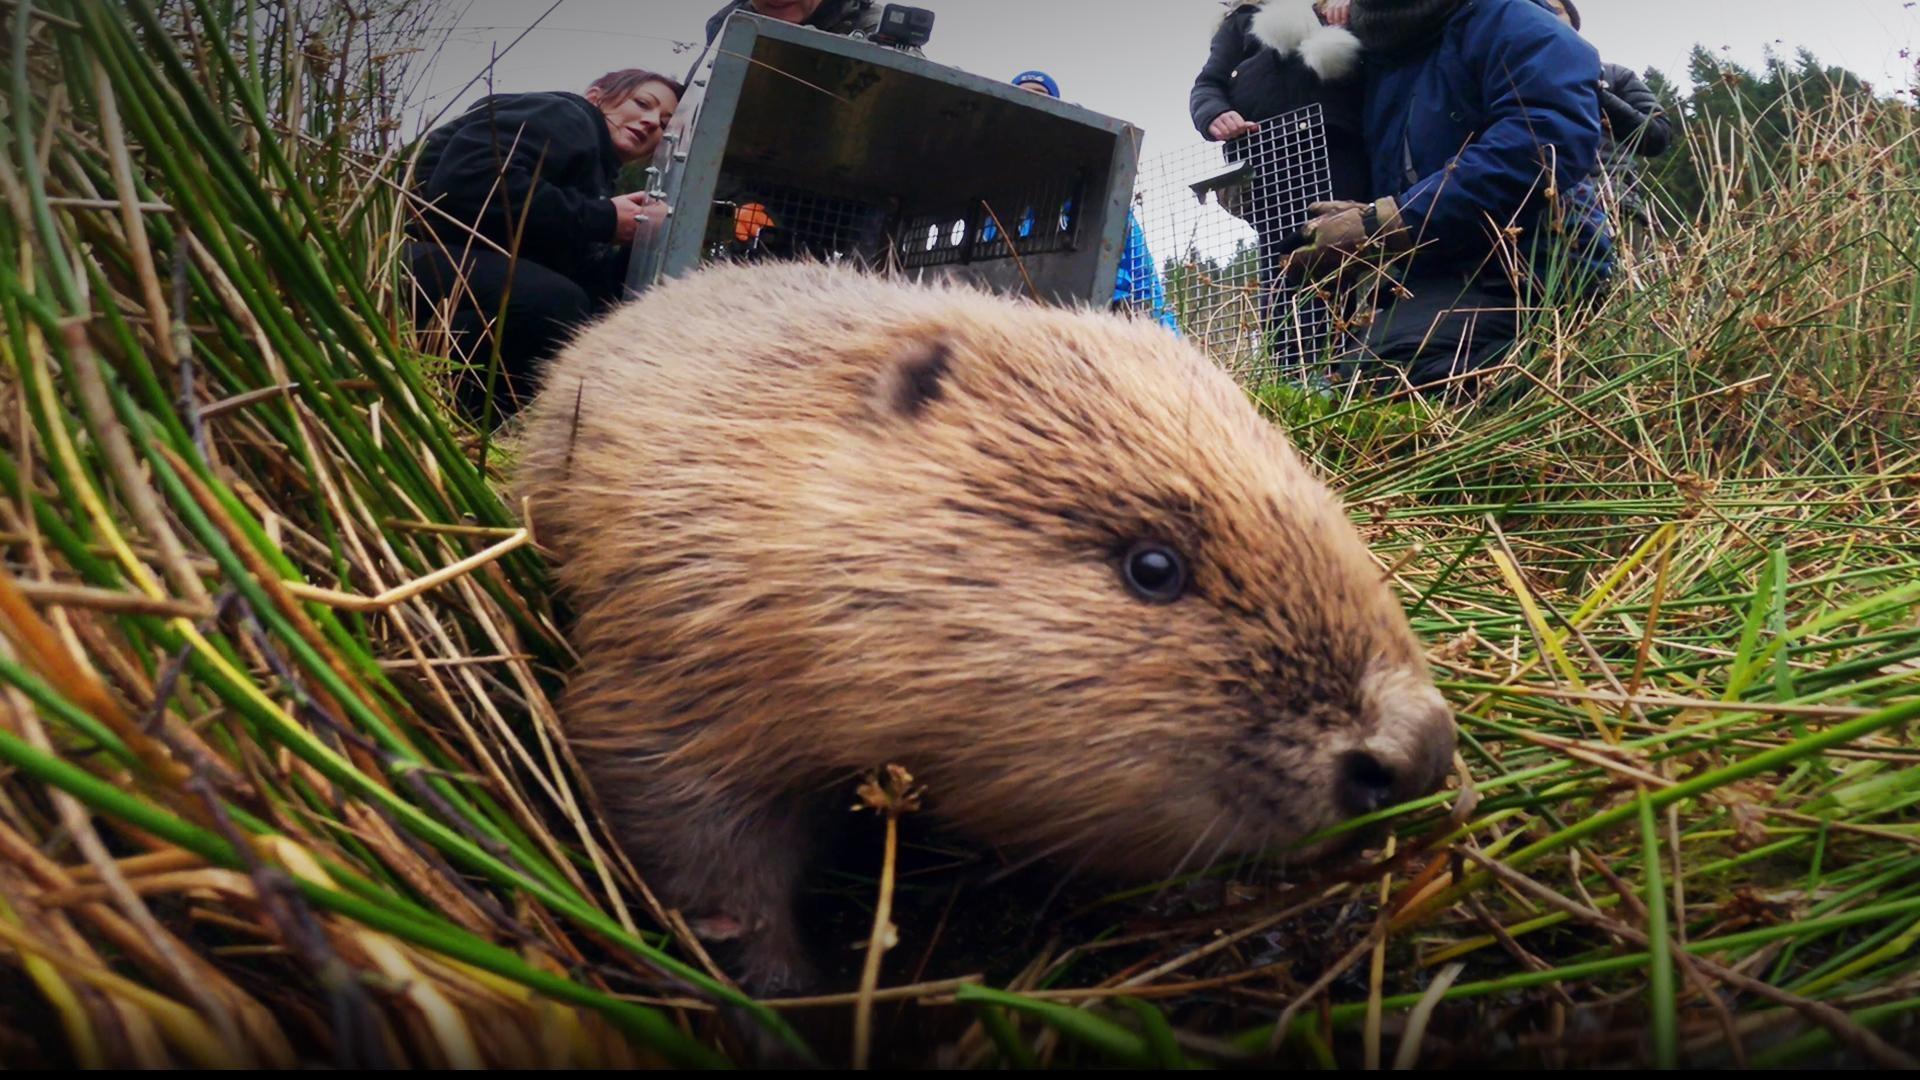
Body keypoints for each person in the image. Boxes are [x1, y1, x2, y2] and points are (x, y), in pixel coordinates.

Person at [1293, 0, 1612, 395]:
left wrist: (1392, 222)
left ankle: (1582, 372)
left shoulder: (1508, 16)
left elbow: (1546, 135)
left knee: (1377, 373)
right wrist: (1366, 218)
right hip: (1447, 271)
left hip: (1534, 269)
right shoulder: (1384, 55)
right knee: (1353, 371)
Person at [408, 70, 681, 420]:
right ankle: (447, 412)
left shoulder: (593, 171)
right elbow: (469, 179)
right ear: (595, 96)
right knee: (554, 304)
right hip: (412, 259)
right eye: (642, 103)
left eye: (664, 125)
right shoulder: (567, 115)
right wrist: (603, 218)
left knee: (584, 313)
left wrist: (634, 240)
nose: (650, 123)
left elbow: (584, 281)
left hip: (457, 270)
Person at [1188, 0, 1365, 364]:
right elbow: (1207, 84)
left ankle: (1346, 370)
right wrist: (1215, 114)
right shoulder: (1239, 23)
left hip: (1335, 156)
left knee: (1344, 257)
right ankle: (1289, 374)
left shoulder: (1340, 8)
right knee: (1282, 267)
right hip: (1269, 167)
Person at [1011, 71, 1179, 332]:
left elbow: (1143, 277)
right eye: (1023, 95)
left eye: (1040, 95)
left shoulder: (1102, 203)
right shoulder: (1006, 207)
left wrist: (1169, 337)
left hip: (1108, 315)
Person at [1554, 1, 1674, 253]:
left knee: (1626, 288)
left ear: (1573, 25)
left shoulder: (1613, 76)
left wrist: (1597, 92)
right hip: (1539, 216)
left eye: (1555, 9)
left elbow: (1657, 136)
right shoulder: (1506, 79)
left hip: (1615, 207)